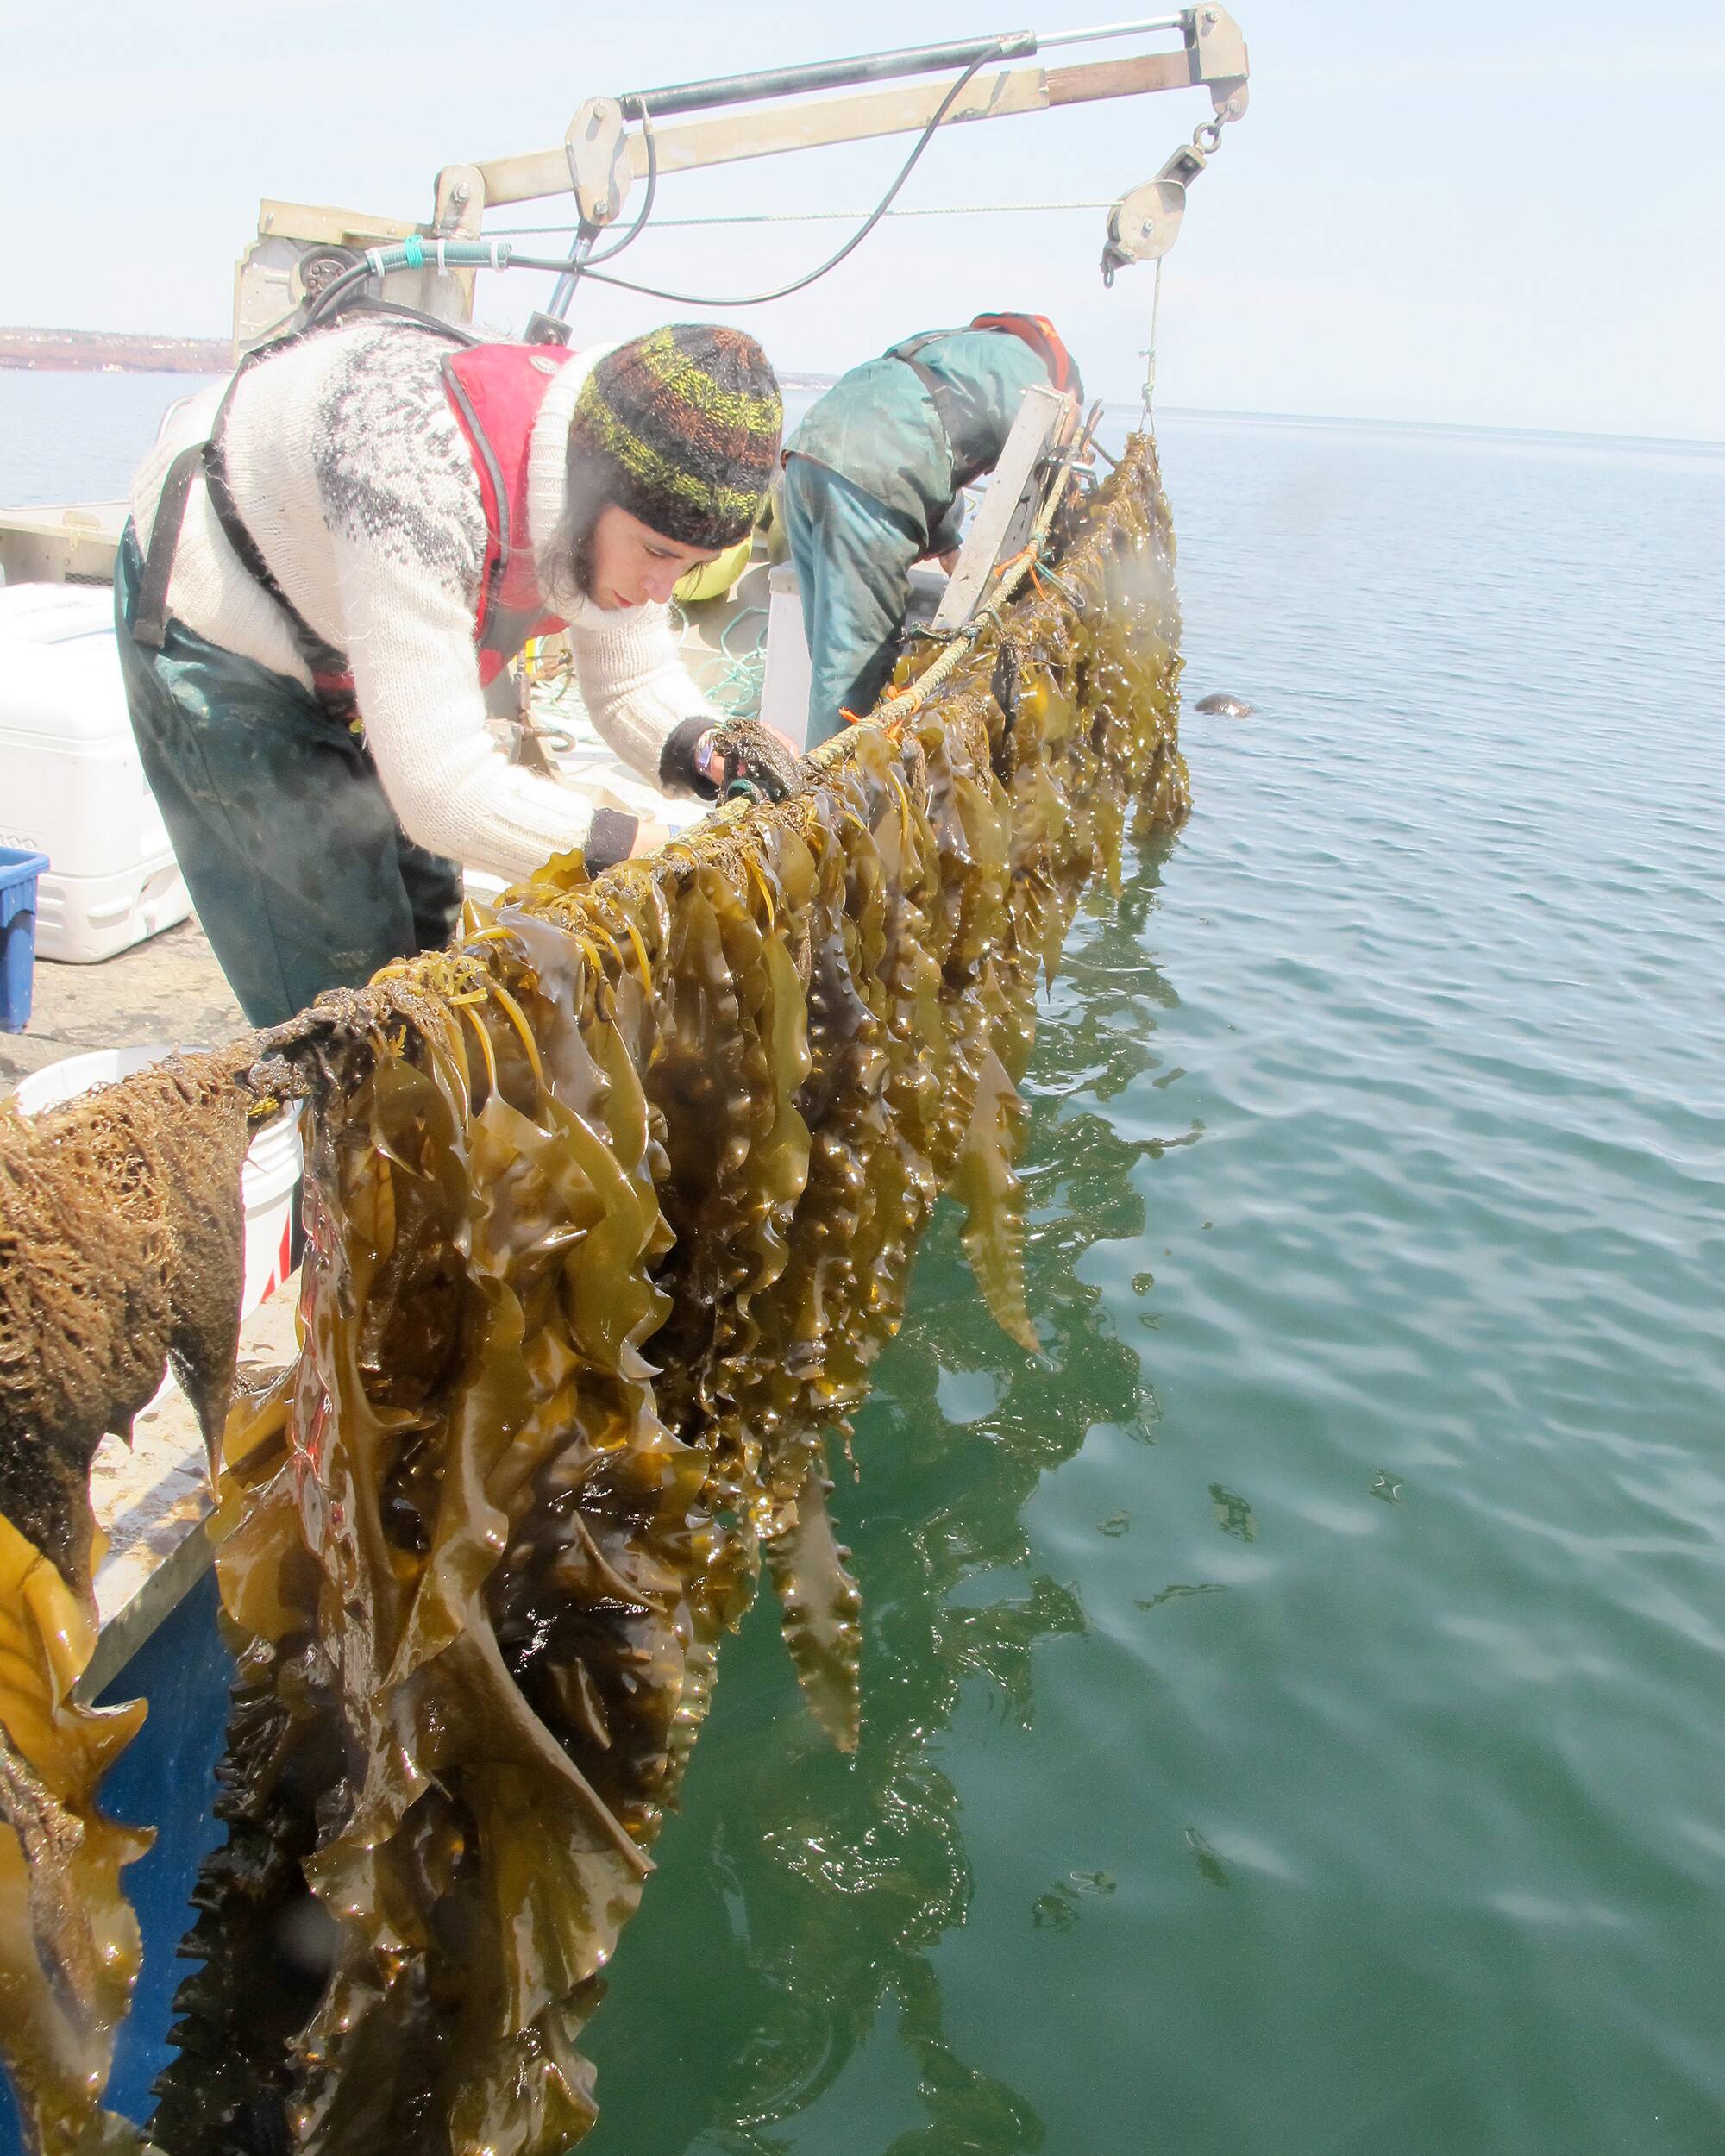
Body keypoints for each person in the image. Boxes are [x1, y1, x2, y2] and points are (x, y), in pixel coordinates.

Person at [116, 315, 783, 1027]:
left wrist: (712, 751)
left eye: (694, 566)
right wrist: (645, 853)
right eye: (657, 553)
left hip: (362, 623)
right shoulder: (415, 473)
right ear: (589, 489)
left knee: (429, 923)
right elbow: (441, 796)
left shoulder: (630, 474)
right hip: (227, 623)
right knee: (345, 990)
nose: (661, 590)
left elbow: (630, 681)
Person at [778, 312, 1081, 745]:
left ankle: (813, 766)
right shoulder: (1028, 367)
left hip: (808, 456)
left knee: (831, 655)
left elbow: (937, 429)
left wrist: (950, 544)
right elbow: (1031, 457)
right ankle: (825, 784)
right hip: (870, 478)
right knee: (853, 674)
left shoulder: (959, 350)